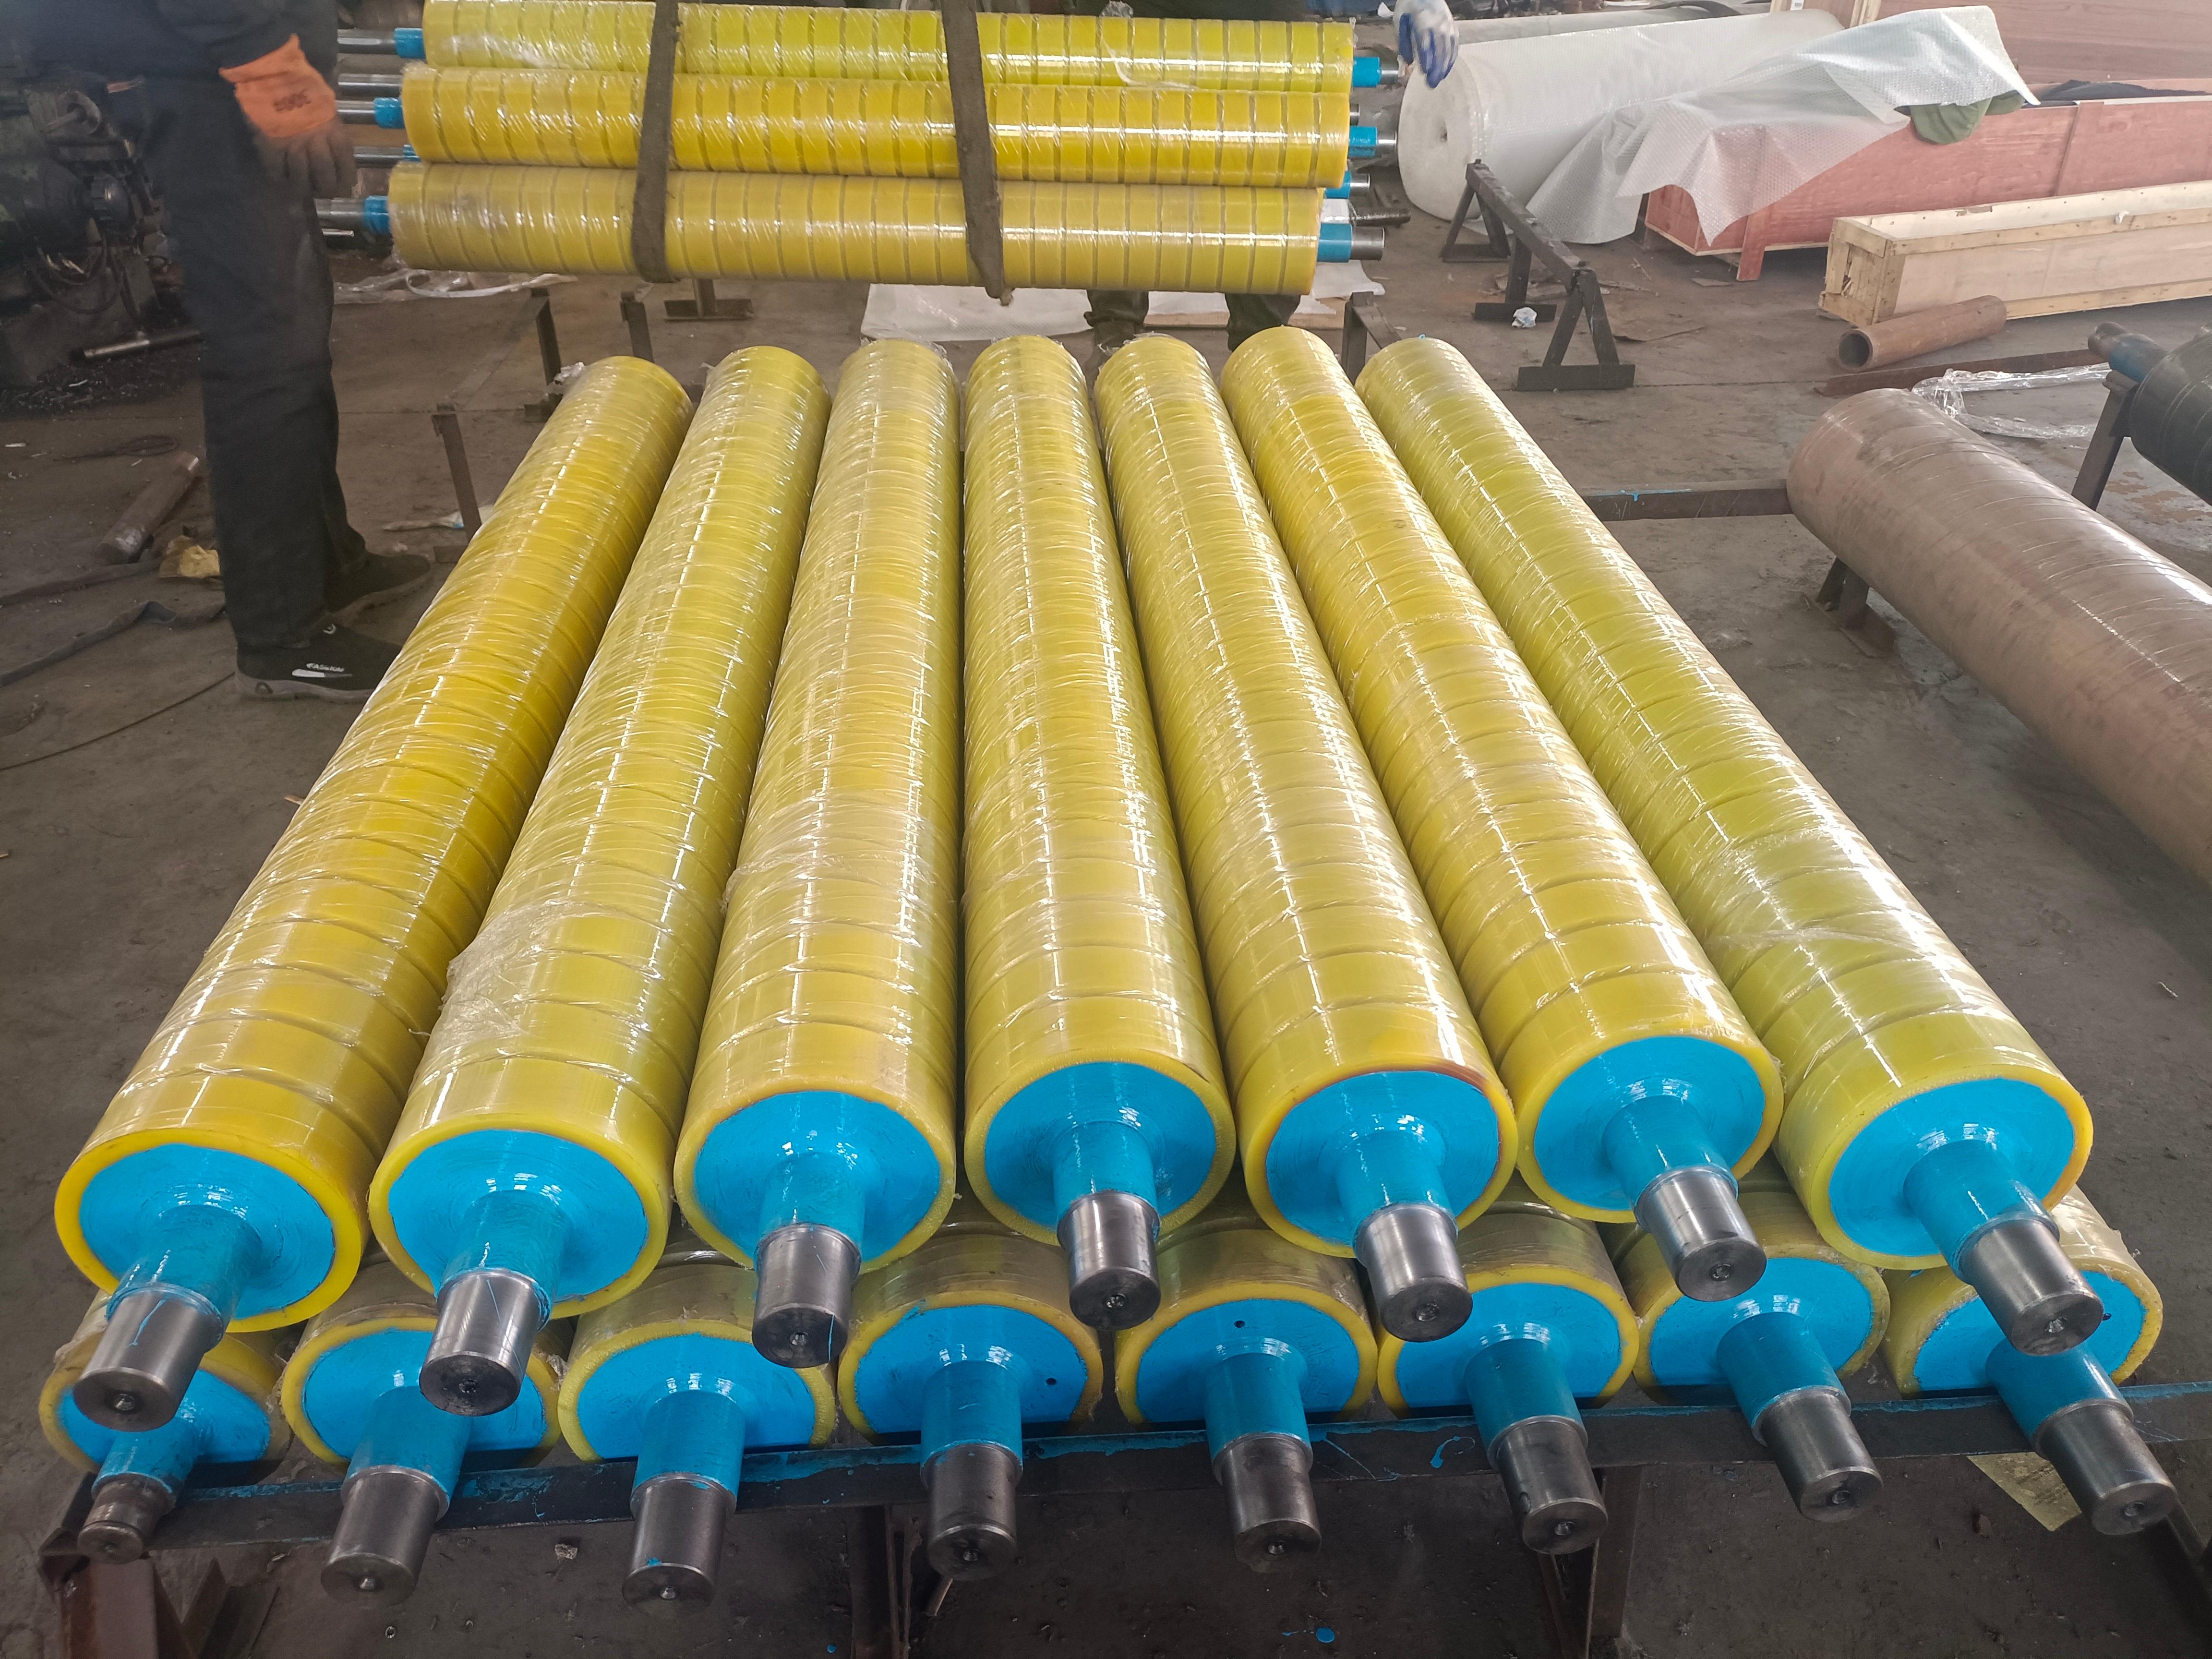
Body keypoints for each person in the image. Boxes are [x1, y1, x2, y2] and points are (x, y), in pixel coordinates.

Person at [16, 0, 429, 701]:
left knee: (297, 340)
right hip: (210, 81)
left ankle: (329, 567)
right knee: (266, 352)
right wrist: (276, 73)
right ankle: (281, 637)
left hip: (233, 74)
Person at [1076, 0, 1456, 363]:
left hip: (1260, 19)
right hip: (1136, 16)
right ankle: (1116, 337)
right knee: (1121, 159)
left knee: (1273, 169)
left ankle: (1260, 347)